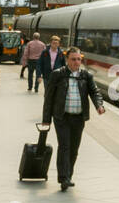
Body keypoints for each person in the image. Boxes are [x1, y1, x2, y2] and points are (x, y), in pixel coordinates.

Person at [42, 47, 104, 191]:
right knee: (64, 146)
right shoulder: (58, 75)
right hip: (61, 117)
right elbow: (48, 98)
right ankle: (63, 178)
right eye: (73, 59)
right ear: (67, 60)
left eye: (78, 59)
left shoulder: (86, 75)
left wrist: (99, 105)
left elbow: (95, 92)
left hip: (78, 118)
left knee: (74, 149)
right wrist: (46, 119)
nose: (77, 62)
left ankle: (68, 175)